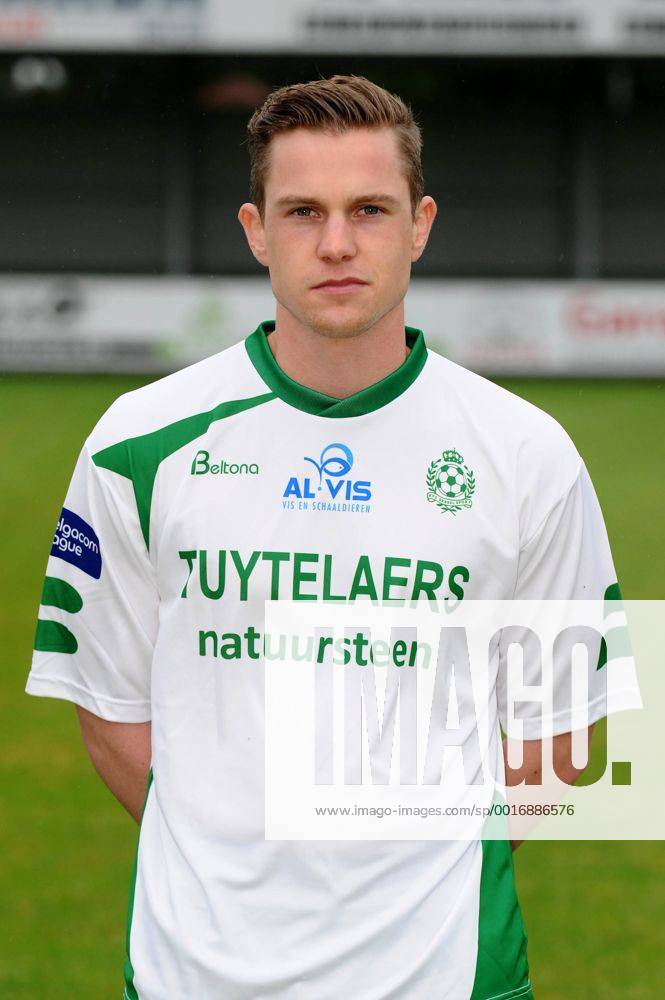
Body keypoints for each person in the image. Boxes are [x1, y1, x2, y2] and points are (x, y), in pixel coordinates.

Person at [25, 74, 640, 1000]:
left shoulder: (526, 453)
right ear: (255, 229)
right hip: (196, 973)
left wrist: (413, 867)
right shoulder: (136, 442)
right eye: (303, 210)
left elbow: (558, 739)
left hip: (444, 976)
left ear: (420, 224)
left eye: (370, 209)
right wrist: (230, 853)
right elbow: (108, 707)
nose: (338, 242)